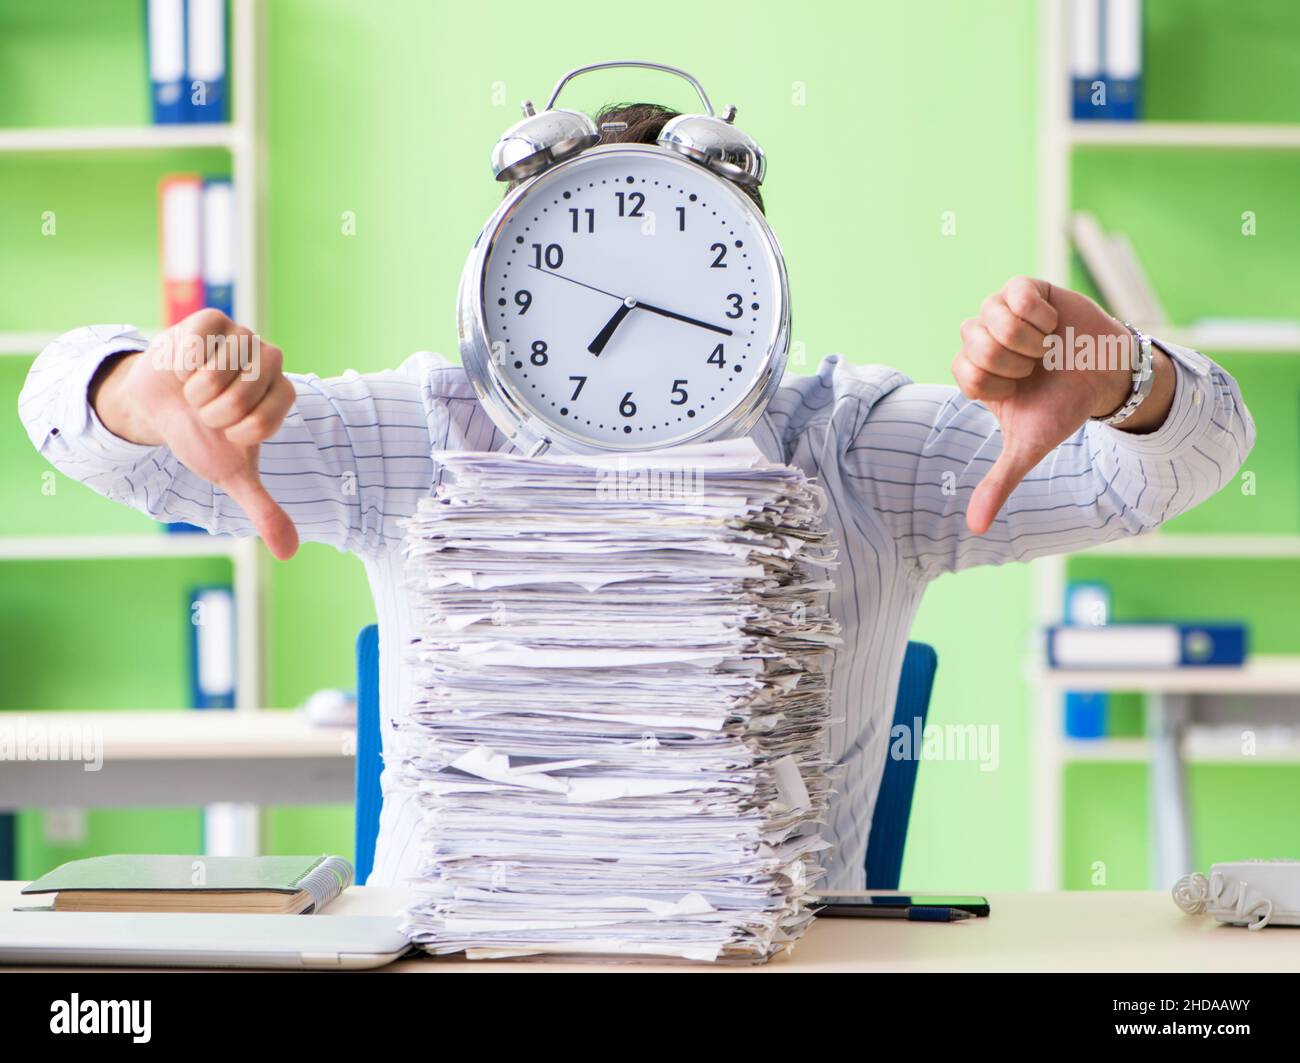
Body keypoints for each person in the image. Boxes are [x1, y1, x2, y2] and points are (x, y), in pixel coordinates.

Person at [18, 104, 1254, 890]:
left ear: (756, 290)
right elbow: (78, 428)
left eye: (684, 273)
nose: (622, 313)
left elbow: (1166, 477)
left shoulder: (863, 451)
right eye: (576, 273)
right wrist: (140, 383)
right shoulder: (412, 434)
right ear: (505, 284)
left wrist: (1122, 375)